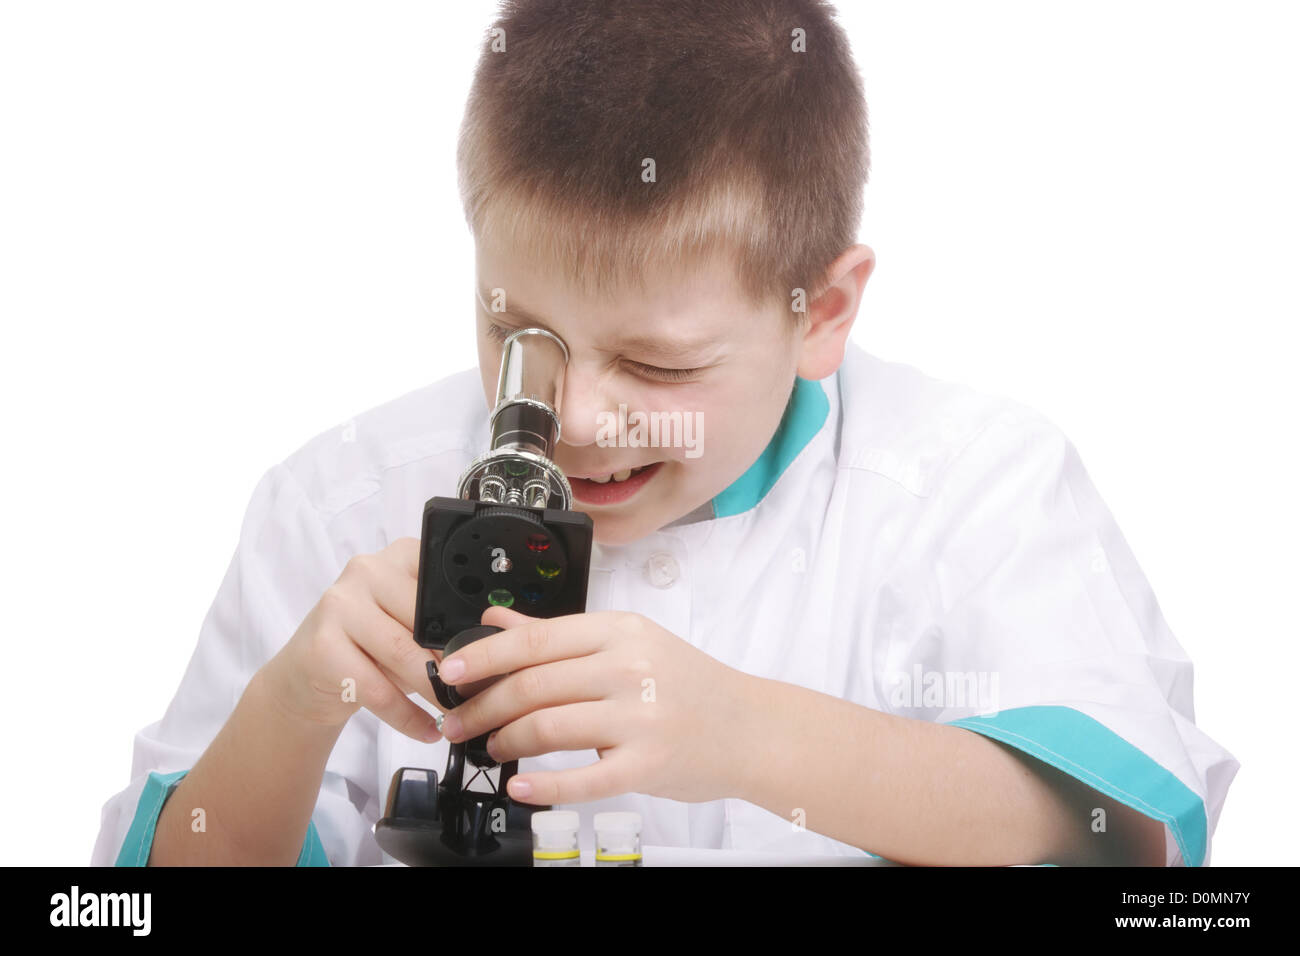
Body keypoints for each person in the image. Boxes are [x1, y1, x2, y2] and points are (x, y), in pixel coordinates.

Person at [93, 0, 1236, 867]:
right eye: (523, 338)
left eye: (659, 364)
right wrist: (294, 706)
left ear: (820, 312)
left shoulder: (971, 484)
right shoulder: (339, 502)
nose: (581, 421)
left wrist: (743, 732)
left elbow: (1120, 828)